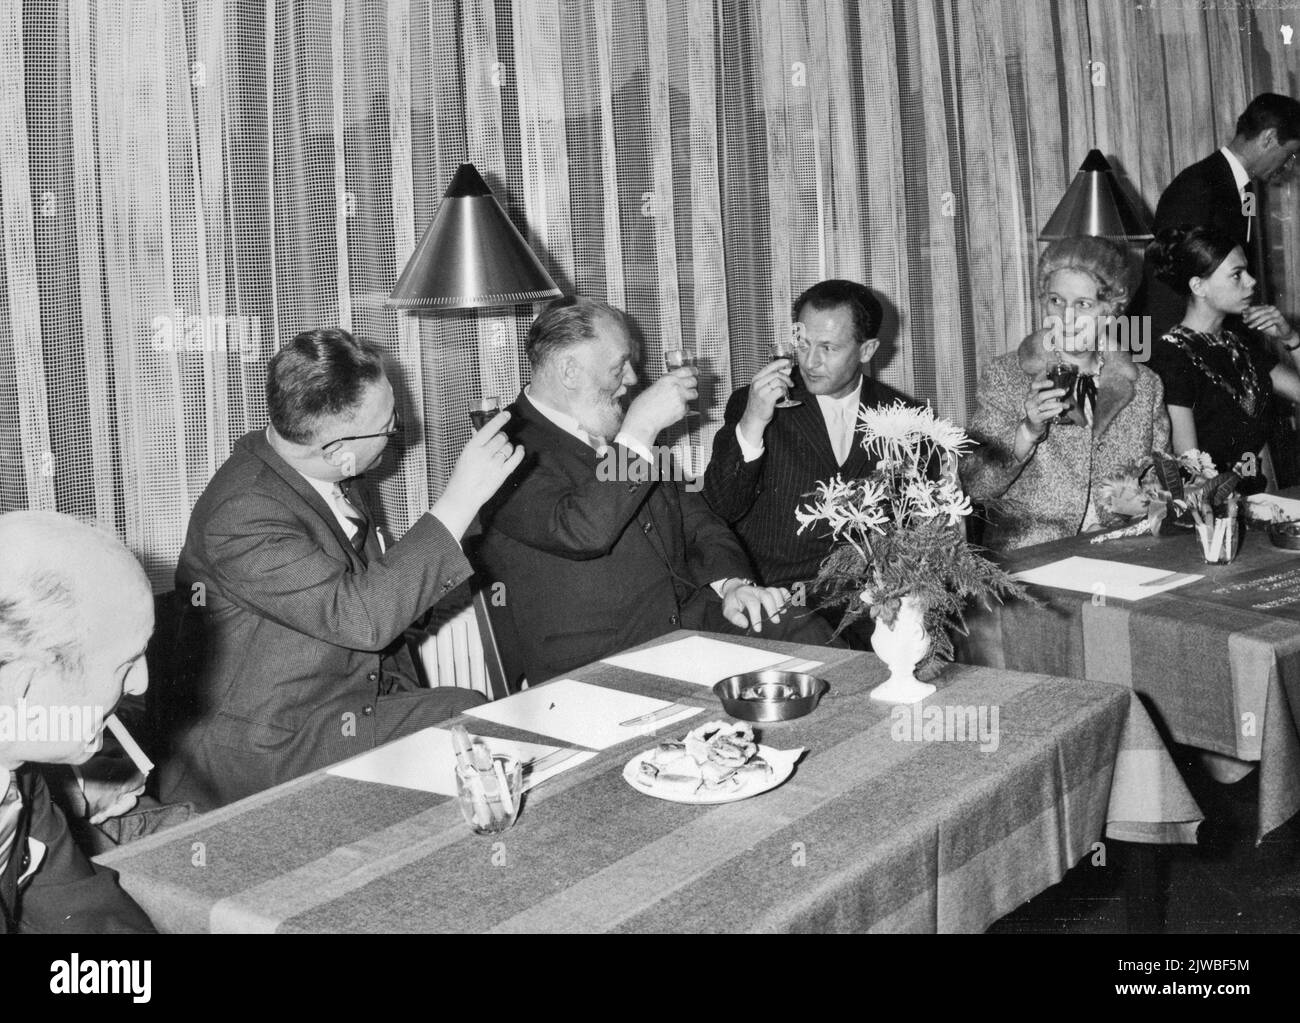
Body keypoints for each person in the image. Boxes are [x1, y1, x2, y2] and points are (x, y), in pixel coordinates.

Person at [159, 328, 523, 811]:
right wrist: (459, 499)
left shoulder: (326, 470)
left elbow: (375, 598)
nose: (400, 429)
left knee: (469, 718)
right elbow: (362, 618)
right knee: (471, 728)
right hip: (271, 742)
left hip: (341, 702)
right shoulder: (242, 514)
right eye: (390, 426)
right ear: (333, 446)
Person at [477, 297, 829, 685]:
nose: (631, 379)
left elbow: (697, 520)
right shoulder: (500, 447)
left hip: (689, 630)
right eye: (618, 367)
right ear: (569, 370)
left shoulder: (615, 431)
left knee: (807, 633)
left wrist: (732, 584)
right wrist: (640, 428)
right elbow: (579, 530)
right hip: (601, 664)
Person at [702, 279, 910, 643]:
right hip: (780, 607)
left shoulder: (903, 415)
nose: (810, 362)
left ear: (867, 350)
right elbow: (719, 507)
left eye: (828, 347)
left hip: (869, 609)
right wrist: (752, 421)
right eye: (803, 343)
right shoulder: (756, 404)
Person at [0, 510, 156, 933]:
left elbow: (83, 909)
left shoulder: (17, 763)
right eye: (125, 664)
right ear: (25, 685)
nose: (140, 684)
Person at [963, 236, 1170, 551]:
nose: (1067, 317)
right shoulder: (1006, 376)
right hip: (1031, 560)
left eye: (1083, 304)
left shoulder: (1145, 386)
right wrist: (1027, 431)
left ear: (1113, 309)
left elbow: (1160, 488)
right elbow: (974, 486)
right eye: (1056, 301)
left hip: (1123, 554)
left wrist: (1122, 523)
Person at [1146, 226, 1300, 492]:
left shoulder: (1237, 344)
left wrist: (1290, 338)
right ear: (1198, 286)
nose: (1251, 281)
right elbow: (1190, 465)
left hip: (1265, 499)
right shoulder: (1170, 357)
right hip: (1217, 511)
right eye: (1237, 275)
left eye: (1247, 272)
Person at [1140, 92, 1300, 344]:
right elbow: (1167, 281)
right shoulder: (1196, 187)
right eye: (1289, 154)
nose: (1288, 165)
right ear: (1268, 138)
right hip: (1182, 342)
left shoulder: (1247, 189)